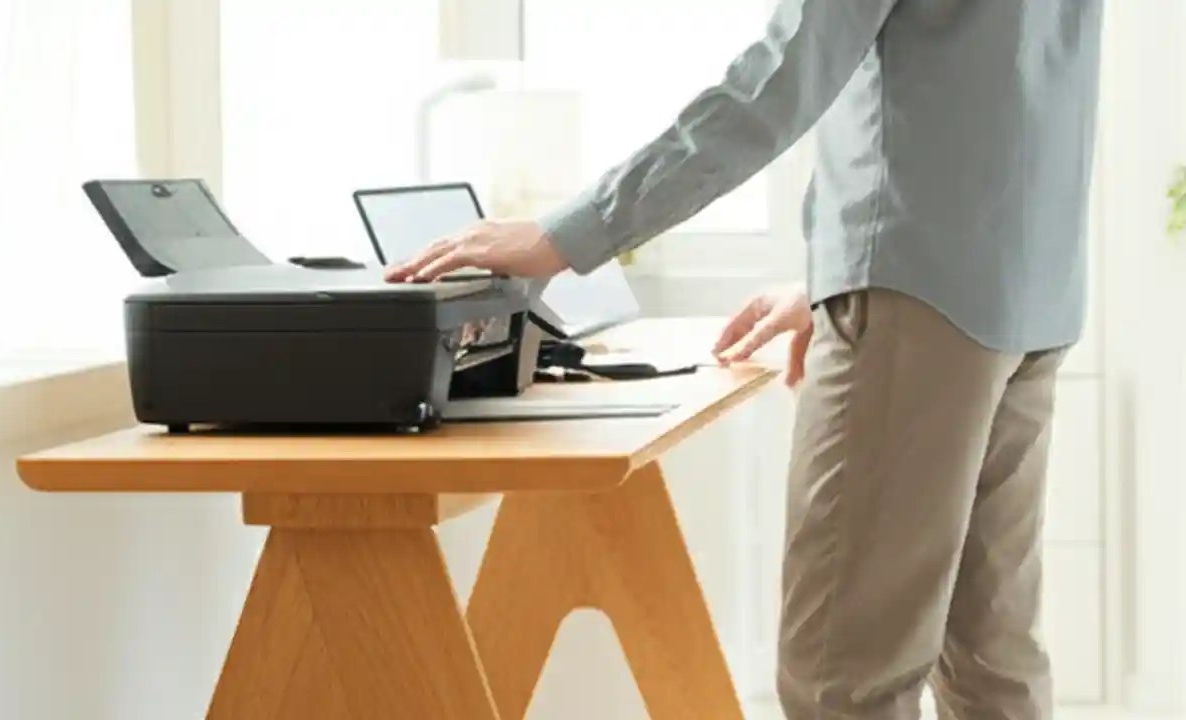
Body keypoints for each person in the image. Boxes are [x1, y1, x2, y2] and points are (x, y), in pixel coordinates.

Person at [385, 0, 1105, 716]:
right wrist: (842, 272)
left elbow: (777, 80)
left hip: (918, 298)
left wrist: (569, 235)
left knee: (842, 682)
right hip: (1028, 294)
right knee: (992, 662)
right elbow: (1001, 87)